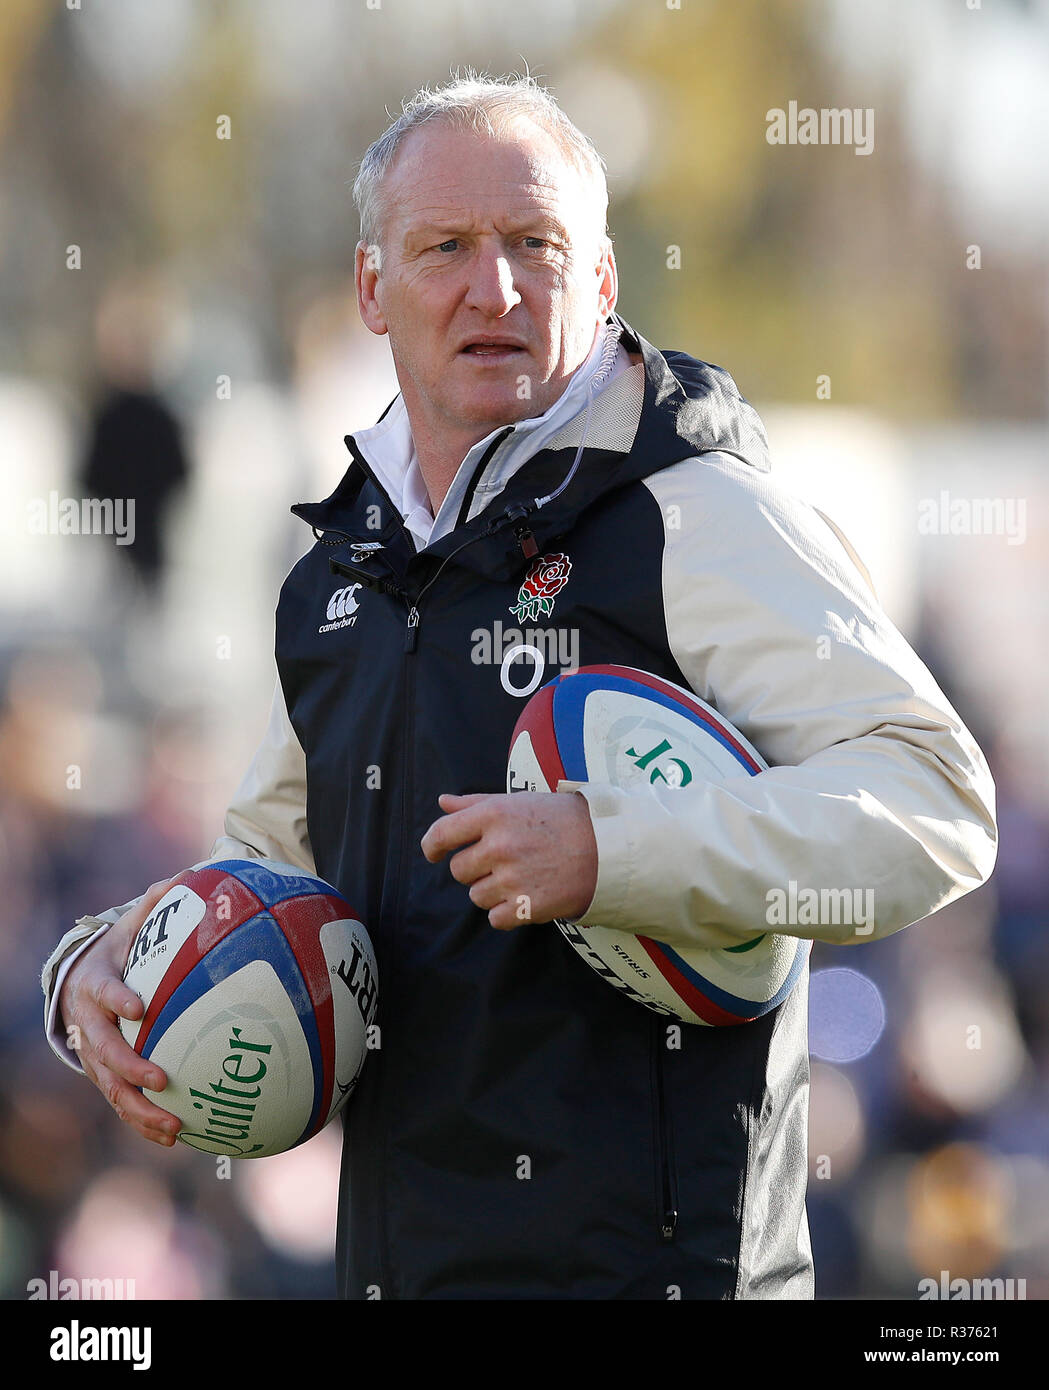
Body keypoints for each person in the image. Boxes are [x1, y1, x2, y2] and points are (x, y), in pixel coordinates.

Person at [41, 74, 998, 1300]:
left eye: (534, 245)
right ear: (371, 288)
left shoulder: (694, 511)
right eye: (444, 246)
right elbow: (264, 874)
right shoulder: (338, 571)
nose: (491, 288)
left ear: (598, 285)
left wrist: (616, 847)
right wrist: (96, 976)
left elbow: (933, 803)